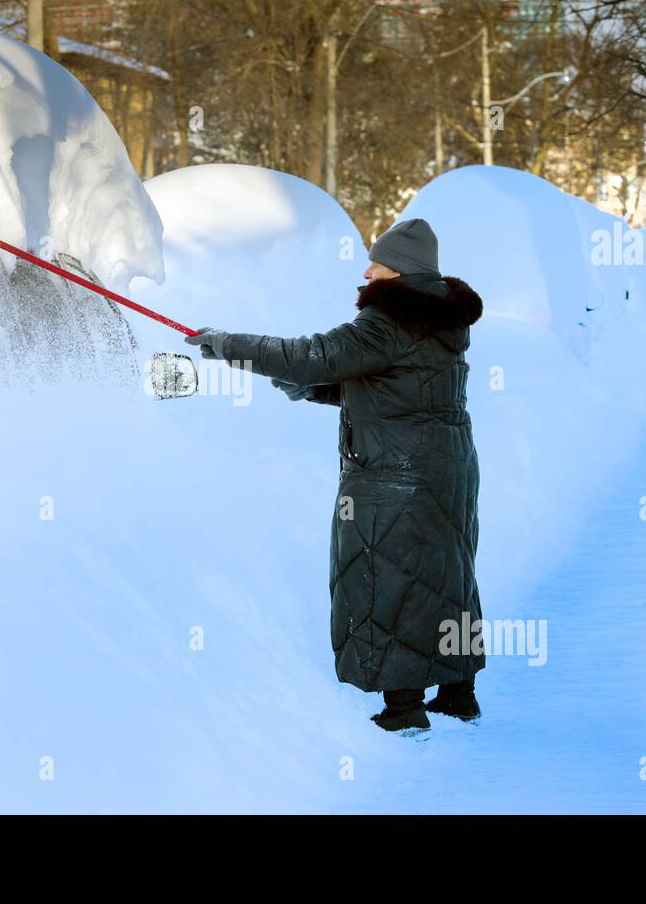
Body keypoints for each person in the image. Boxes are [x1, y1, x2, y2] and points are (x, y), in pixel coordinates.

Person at [185, 219, 485, 733]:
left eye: (379, 264)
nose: (368, 272)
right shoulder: (441, 322)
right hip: (448, 469)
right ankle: (458, 694)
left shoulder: (388, 321)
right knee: (445, 575)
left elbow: (311, 355)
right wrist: (316, 390)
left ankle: (404, 710)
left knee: (389, 578)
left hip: (394, 476)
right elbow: (399, 391)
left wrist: (227, 343)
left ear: (402, 274)